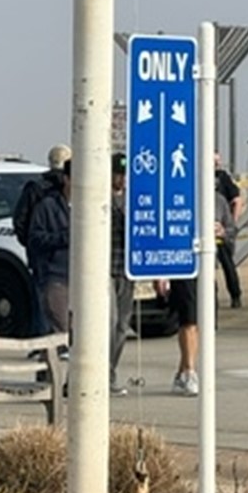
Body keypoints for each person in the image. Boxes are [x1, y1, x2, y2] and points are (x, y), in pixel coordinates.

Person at [158, 177, 237, 396]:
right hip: (184, 266)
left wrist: (222, 231)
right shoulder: (179, 200)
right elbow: (165, 233)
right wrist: (162, 273)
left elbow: (232, 229)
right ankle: (190, 372)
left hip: (208, 269)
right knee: (189, 320)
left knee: (204, 323)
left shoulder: (219, 201)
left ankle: (182, 370)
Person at [17, 144, 71, 333]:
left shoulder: (35, 187)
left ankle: (43, 345)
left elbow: (21, 224)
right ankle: (47, 347)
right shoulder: (49, 197)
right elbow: (27, 228)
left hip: (43, 259)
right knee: (53, 308)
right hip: (53, 261)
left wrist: (33, 248)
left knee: (44, 306)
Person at [109, 152, 133, 395]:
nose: (122, 179)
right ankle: (100, 374)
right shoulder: (99, 197)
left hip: (126, 270)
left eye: (125, 174)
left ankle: (111, 372)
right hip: (105, 271)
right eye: (119, 173)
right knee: (108, 323)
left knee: (122, 326)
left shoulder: (133, 200)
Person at [214, 153, 244, 309]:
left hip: (220, 227)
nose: (216, 164)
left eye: (218, 161)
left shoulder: (223, 178)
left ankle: (234, 295)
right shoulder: (197, 176)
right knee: (224, 264)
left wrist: (231, 224)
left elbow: (237, 199)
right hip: (217, 227)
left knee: (226, 264)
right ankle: (231, 297)